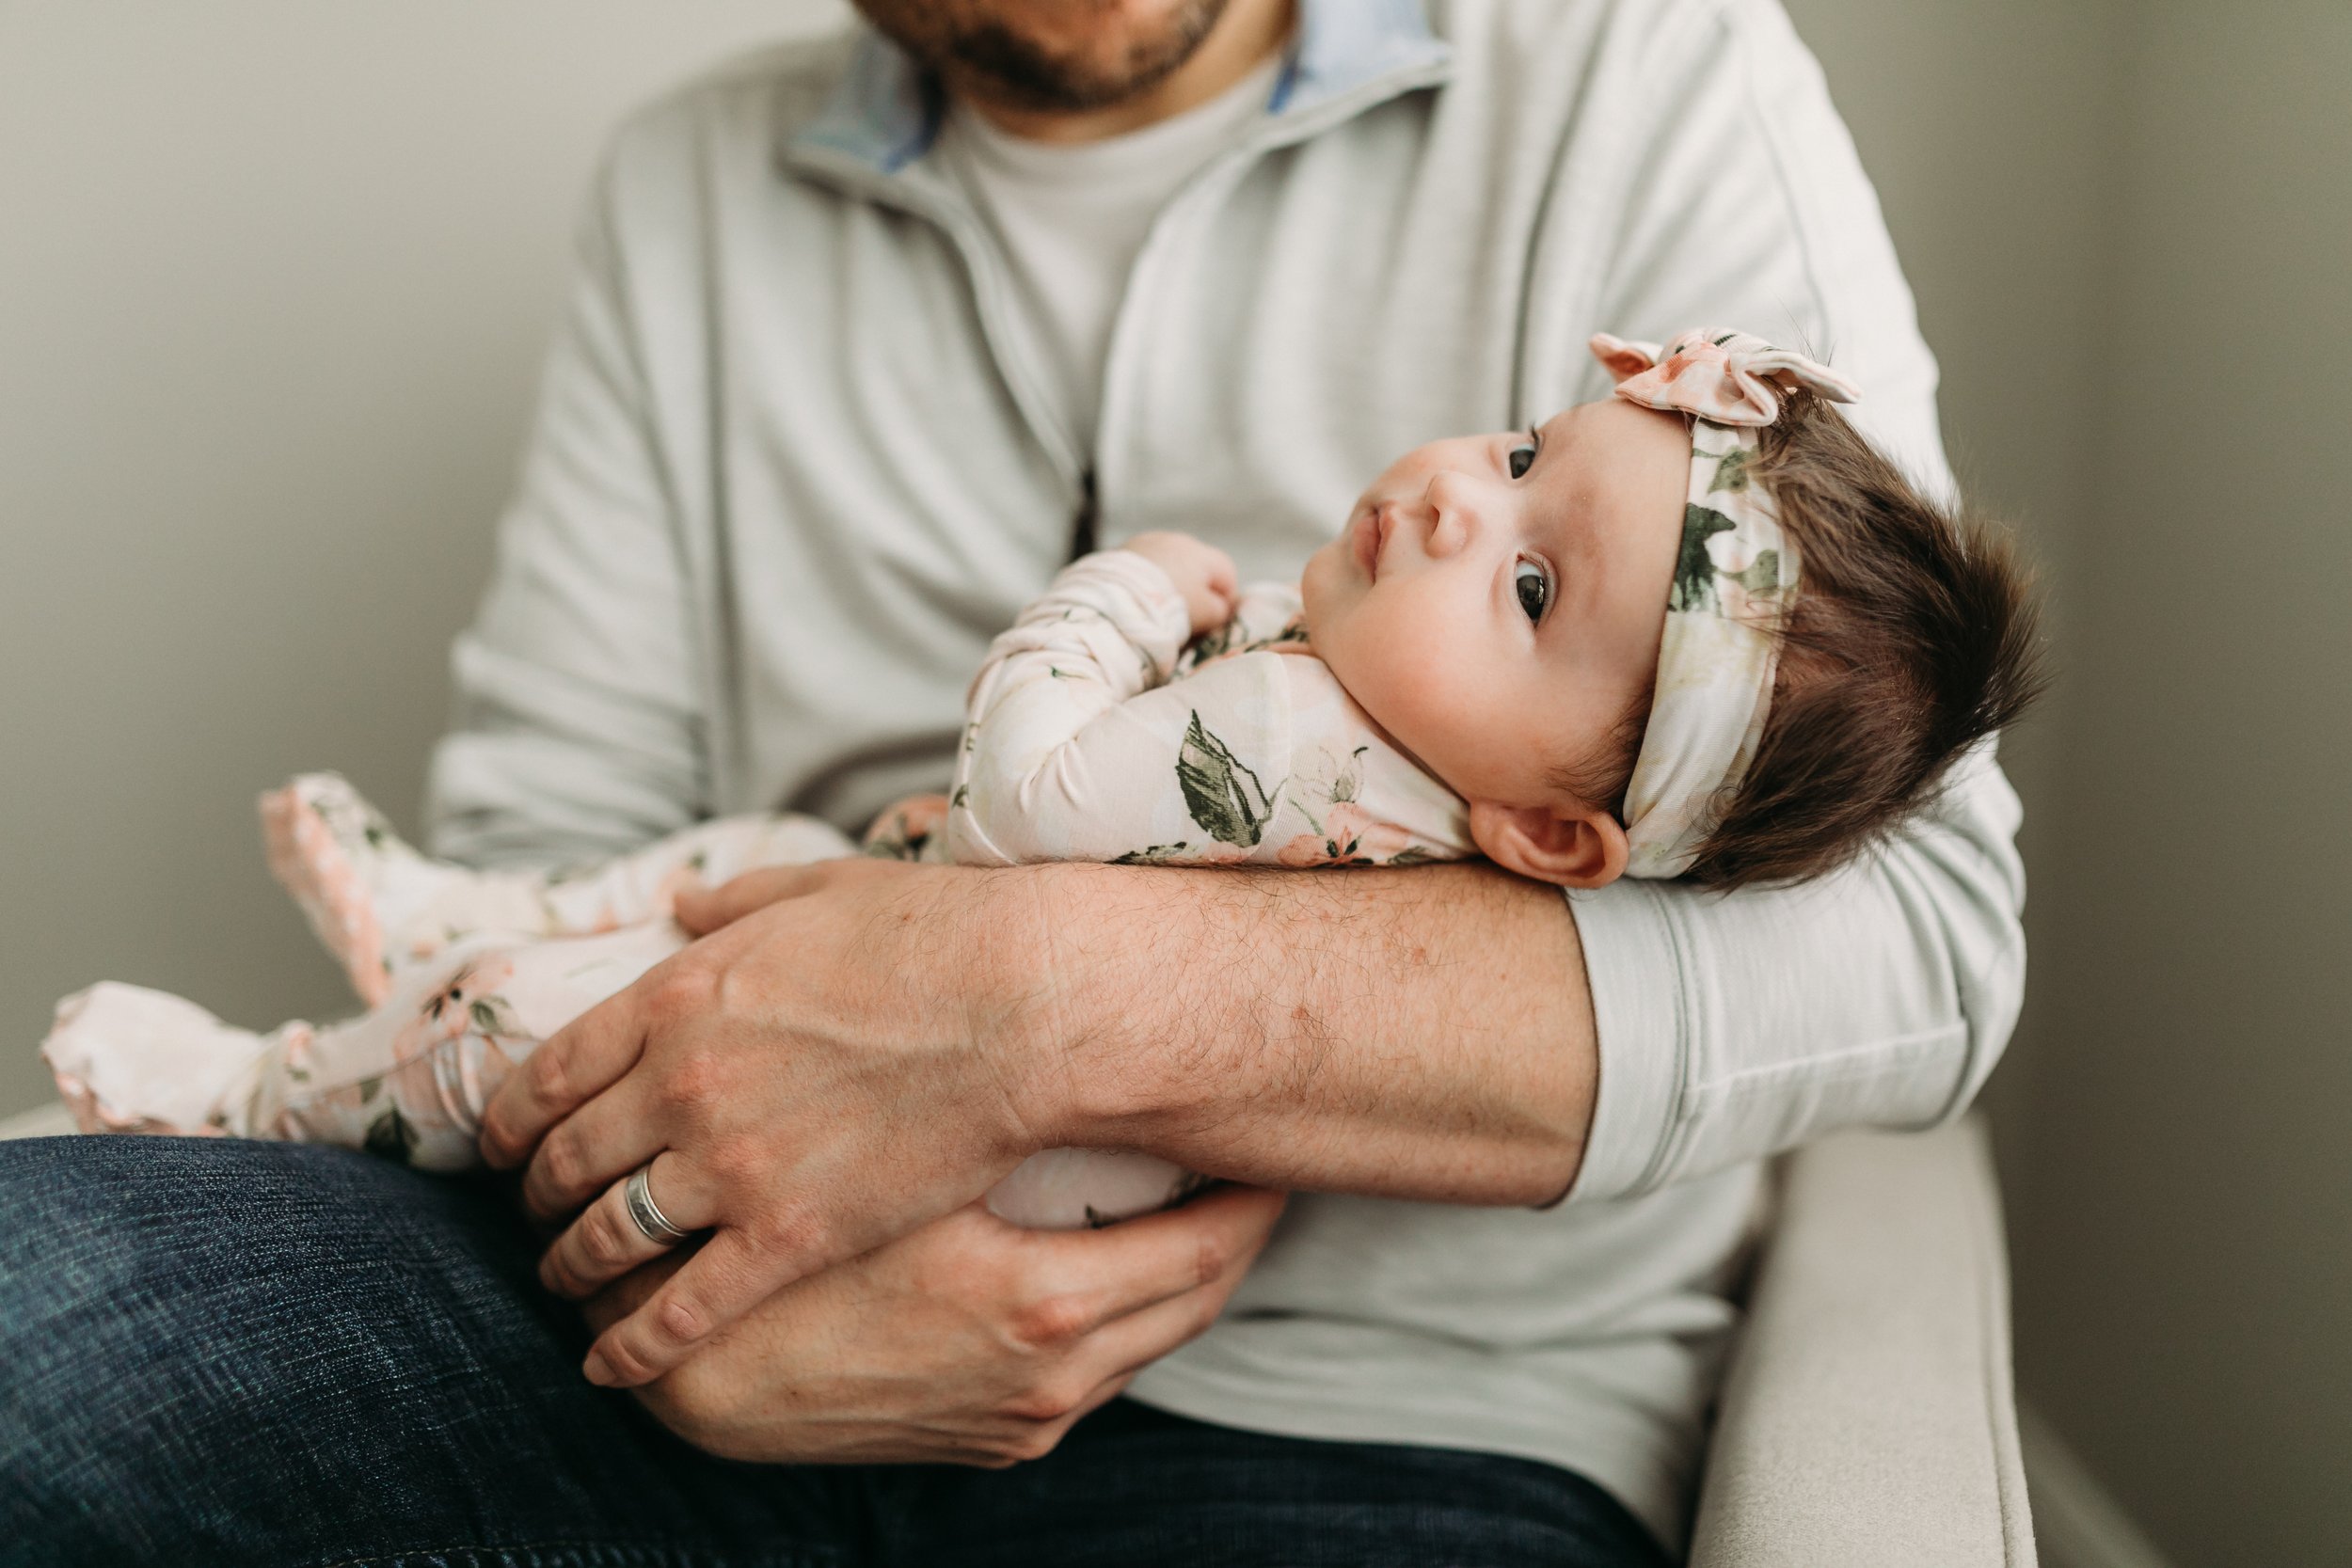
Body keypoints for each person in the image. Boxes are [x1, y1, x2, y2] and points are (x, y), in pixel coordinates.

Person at [0, 4, 2033, 1564]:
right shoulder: (696, 188)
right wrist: (715, 1291)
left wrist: (1034, 1014)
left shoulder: (1629, 68)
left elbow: (1921, 939)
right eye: (1508, 459)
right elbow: (564, 836)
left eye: (1525, 564)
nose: (1457, 497)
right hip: (677, 1270)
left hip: (1385, 1424)